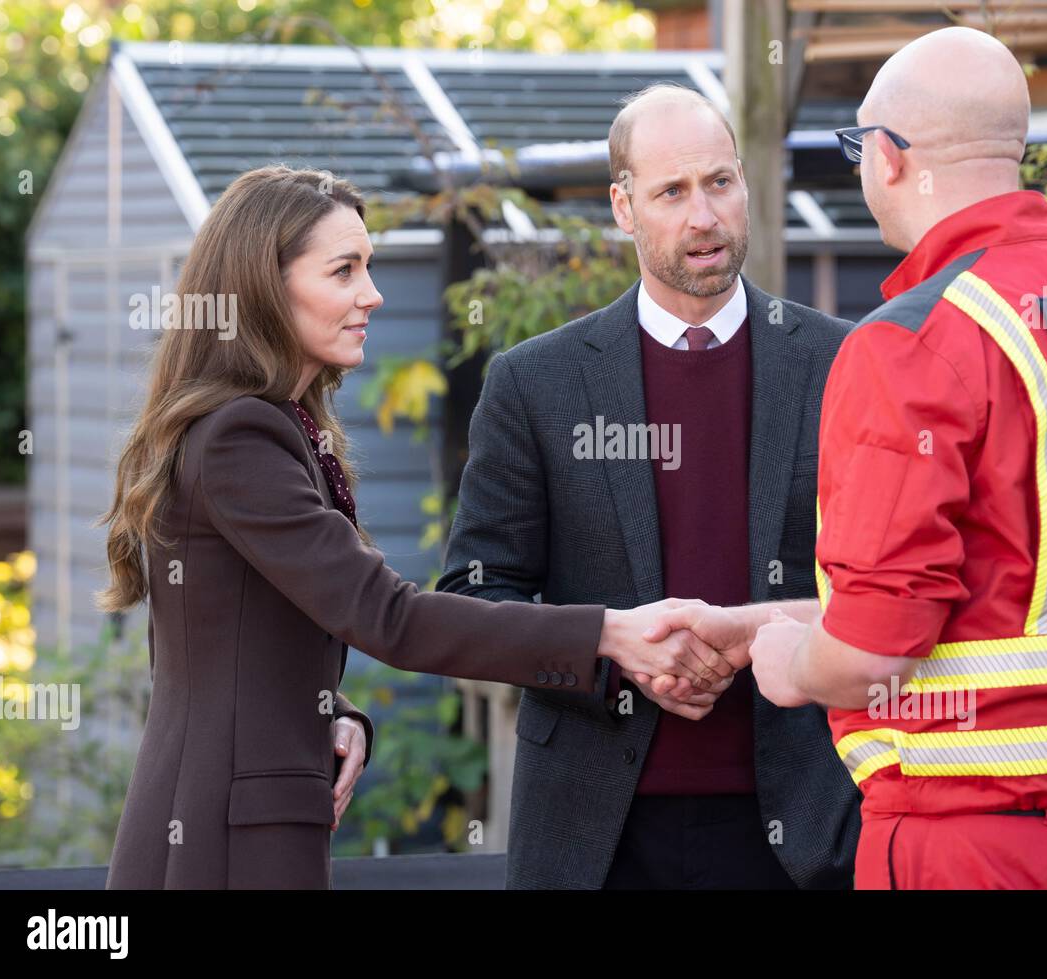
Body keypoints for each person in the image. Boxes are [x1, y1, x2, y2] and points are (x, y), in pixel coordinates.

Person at [646, 26, 1047, 889]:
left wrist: (792, 666)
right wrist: (765, 623)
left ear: (889, 157)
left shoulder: (914, 340)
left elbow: (876, 650)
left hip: (971, 840)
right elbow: (1009, 600)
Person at [98, 165, 736, 889]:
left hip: (230, 820)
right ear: (264, 290)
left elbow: (225, 640)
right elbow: (389, 617)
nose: (372, 294)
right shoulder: (242, 436)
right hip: (223, 840)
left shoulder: (264, 427)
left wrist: (333, 712)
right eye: (344, 271)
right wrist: (607, 634)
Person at [438, 85, 860, 890]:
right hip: (598, 839)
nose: (703, 216)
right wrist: (613, 647)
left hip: (805, 831)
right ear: (624, 207)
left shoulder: (844, 364)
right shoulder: (537, 384)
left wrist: (755, 632)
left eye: (720, 182)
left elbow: (884, 584)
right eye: (672, 192)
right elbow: (476, 595)